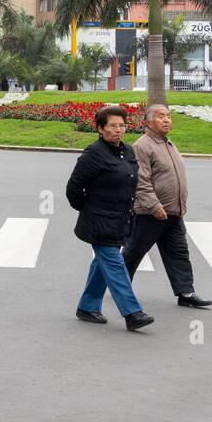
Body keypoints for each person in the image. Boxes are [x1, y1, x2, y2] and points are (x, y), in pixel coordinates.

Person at [67, 105, 153, 331]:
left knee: (102, 264)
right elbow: (74, 188)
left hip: (121, 220)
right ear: (100, 128)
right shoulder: (93, 153)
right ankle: (133, 313)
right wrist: (88, 210)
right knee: (115, 265)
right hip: (99, 222)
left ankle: (87, 306)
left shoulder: (128, 152)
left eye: (122, 125)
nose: (118, 130)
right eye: (112, 126)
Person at [123, 104, 212, 309]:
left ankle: (185, 292)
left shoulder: (168, 144)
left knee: (179, 253)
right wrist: (154, 206)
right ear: (148, 122)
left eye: (168, 116)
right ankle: (119, 286)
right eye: (161, 116)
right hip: (149, 214)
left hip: (173, 212)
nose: (166, 120)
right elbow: (141, 181)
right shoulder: (142, 146)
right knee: (133, 253)